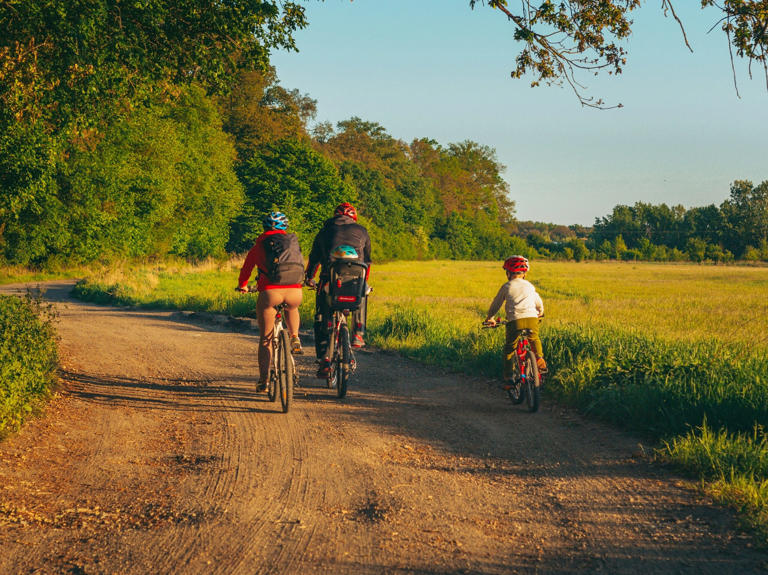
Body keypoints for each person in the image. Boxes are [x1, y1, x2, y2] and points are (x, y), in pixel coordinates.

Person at [237, 211, 304, 391]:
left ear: (265, 227)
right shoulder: (292, 244)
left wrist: (243, 285)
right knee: (292, 308)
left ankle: (264, 380)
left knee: (265, 339)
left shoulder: (259, 245)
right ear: (285, 228)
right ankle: (295, 337)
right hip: (295, 291)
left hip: (270, 292)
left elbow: (247, 269)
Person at [305, 202, 371, 378]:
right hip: (356, 280)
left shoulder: (324, 231)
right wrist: (363, 281)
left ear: (335, 216)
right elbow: (368, 262)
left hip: (330, 281)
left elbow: (314, 260)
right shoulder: (362, 231)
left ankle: (324, 360)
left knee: (321, 317)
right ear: (353, 218)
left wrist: (309, 278)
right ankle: (358, 332)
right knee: (362, 294)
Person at [484, 255, 547, 380]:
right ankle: (539, 358)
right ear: (524, 274)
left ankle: (509, 378)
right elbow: (538, 301)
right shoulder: (529, 286)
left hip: (515, 321)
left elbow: (496, 304)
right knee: (534, 339)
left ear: (508, 273)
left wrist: (490, 317)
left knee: (510, 349)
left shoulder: (507, 286)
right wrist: (540, 311)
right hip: (532, 318)